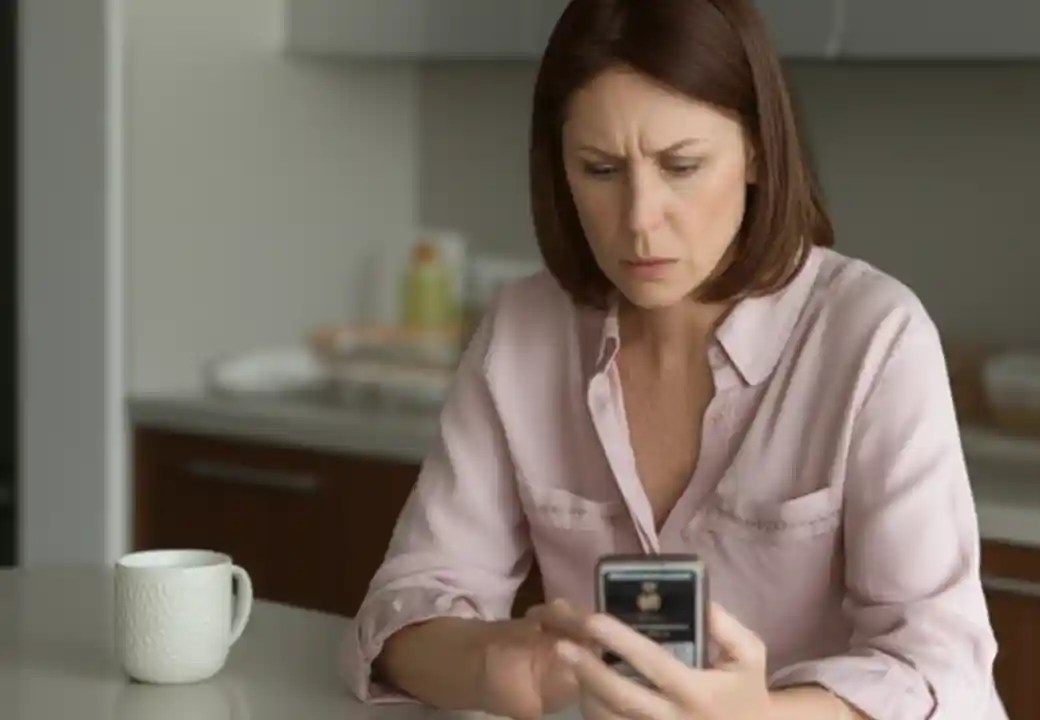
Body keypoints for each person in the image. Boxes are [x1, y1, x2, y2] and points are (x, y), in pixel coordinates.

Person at [340, 0, 1000, 718]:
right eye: (599, 169)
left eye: (682, 166)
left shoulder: (874, 337)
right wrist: (496, 667)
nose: (639, 219)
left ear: (755, 150)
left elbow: (944, 672)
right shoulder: (524, 332)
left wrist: (763, 716)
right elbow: (402, 609)